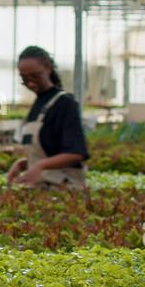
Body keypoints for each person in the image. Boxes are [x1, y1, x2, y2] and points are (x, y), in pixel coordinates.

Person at [6, 45, 89, 189]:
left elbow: (76, 153)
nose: (30, 82)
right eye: (24, 78)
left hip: (65, 190)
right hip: (42, 189)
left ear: (48, 68)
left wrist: (40, 166)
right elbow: (49, 152)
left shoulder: (64, 104)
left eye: (35, 76)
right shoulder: (38, 104)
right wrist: (24, 164)